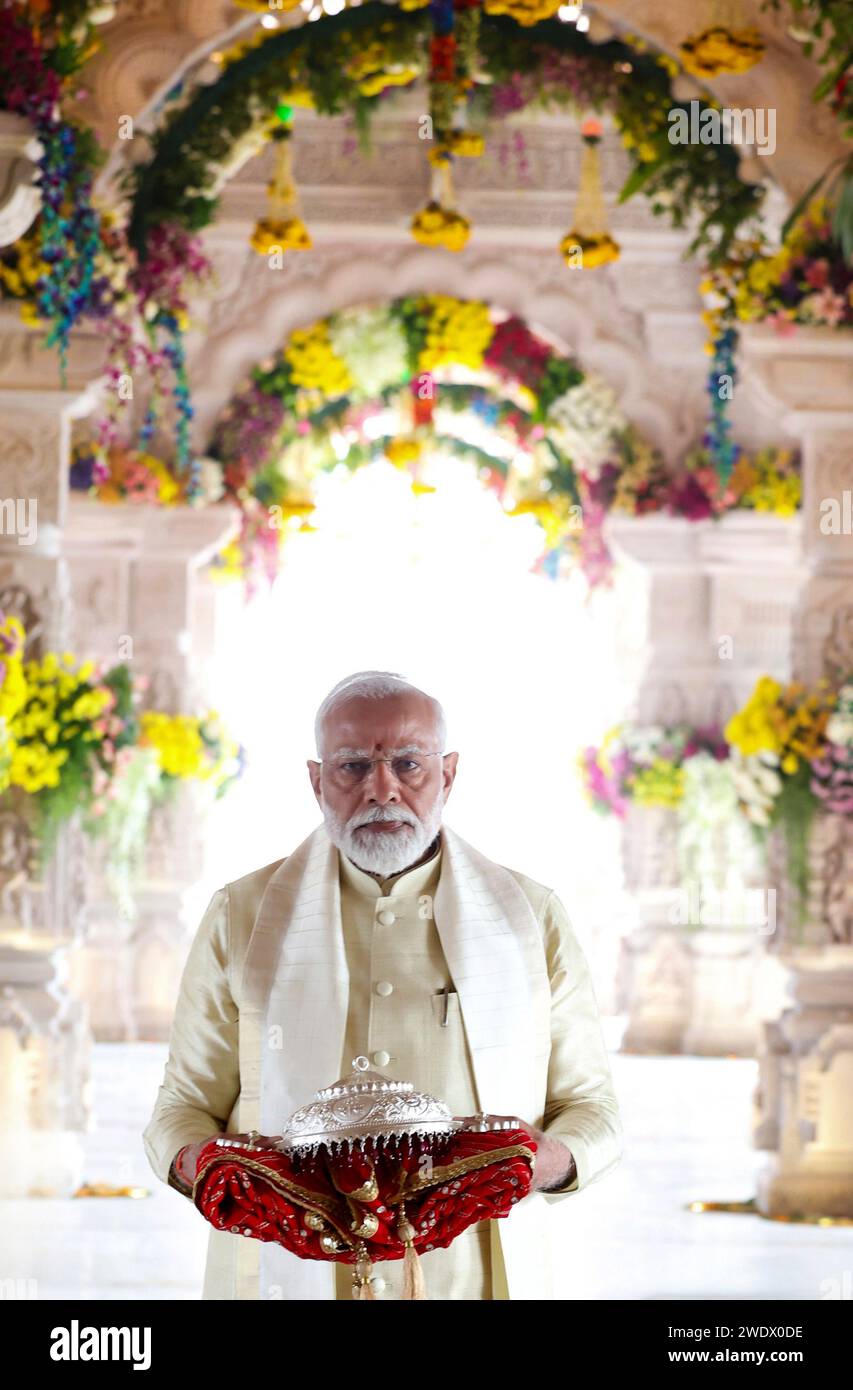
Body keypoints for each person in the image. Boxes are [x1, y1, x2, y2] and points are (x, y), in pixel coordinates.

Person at [143, 670, 623, 1299]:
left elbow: (593, 1109)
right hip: (284, 1265)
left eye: (407, 763)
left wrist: (532, 1163)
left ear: (448, 774)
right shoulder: (242, 915)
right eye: (351, 767)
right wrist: (209, 1170)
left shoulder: (530, 918)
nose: (382, 790)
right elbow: (181, 1108)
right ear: (317, 782)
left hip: (471, 1274)